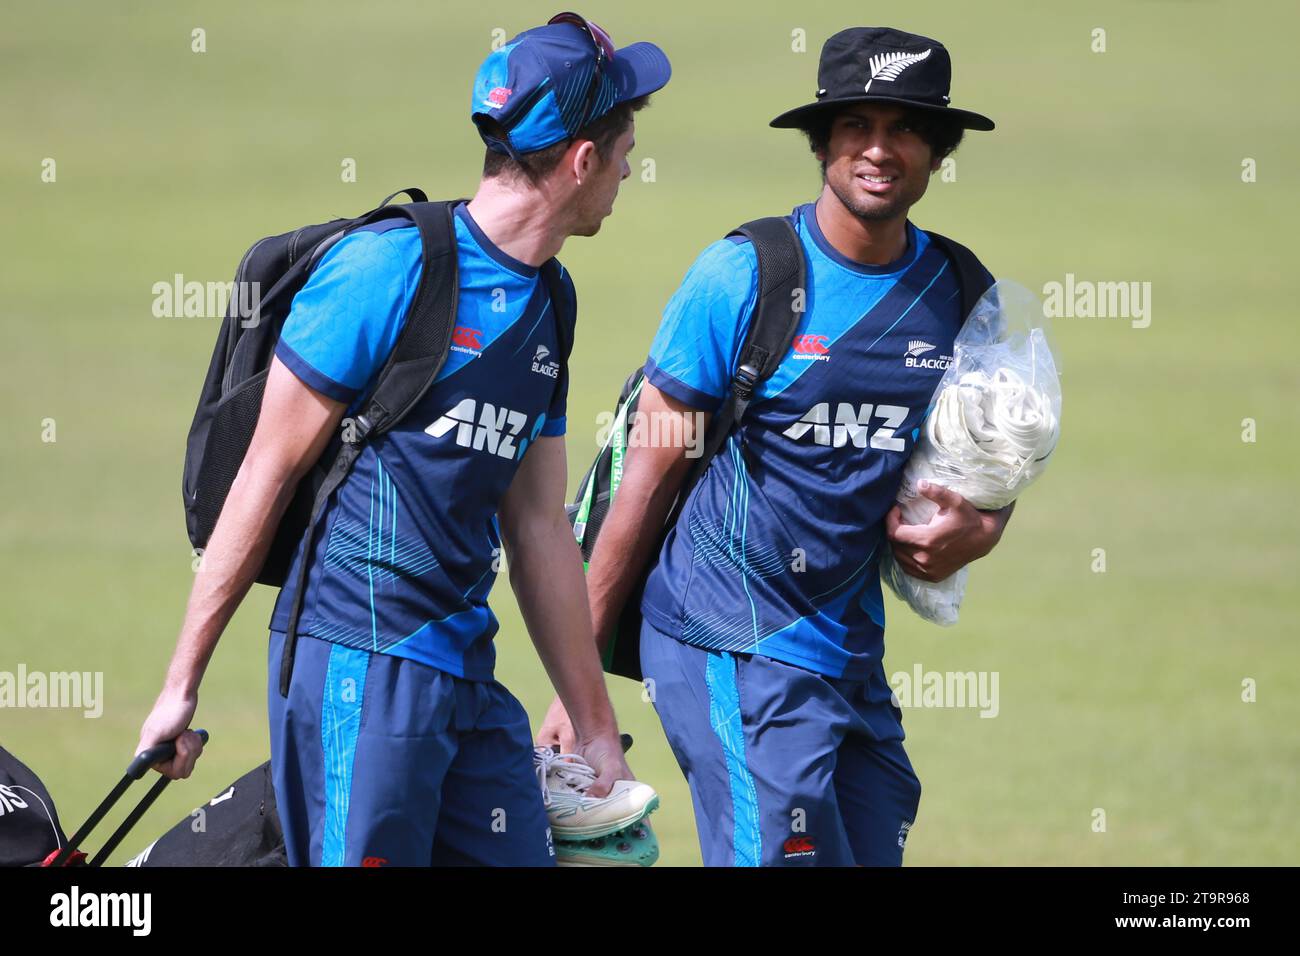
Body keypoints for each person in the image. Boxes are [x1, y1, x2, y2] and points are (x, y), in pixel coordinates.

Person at [136, 13, 671, 866]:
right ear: (580, 161)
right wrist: (179, 687)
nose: (630, 167)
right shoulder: (386, 270)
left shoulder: (551, 302)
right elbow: (263, 475)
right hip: (357, 667)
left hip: (465, 676)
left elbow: (536, 526)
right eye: (623, 147)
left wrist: (597, 730)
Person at [538, 26, 1013, 866]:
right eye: (856, 127)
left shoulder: (961, 294)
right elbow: (642, 478)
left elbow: (975, 469)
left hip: (848, 650)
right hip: (724, 636)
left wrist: (982, 527)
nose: (878, 149)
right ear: (822, 143)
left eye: (904, 127)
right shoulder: (746, 275)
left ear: (937, 149)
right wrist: (579, 697)